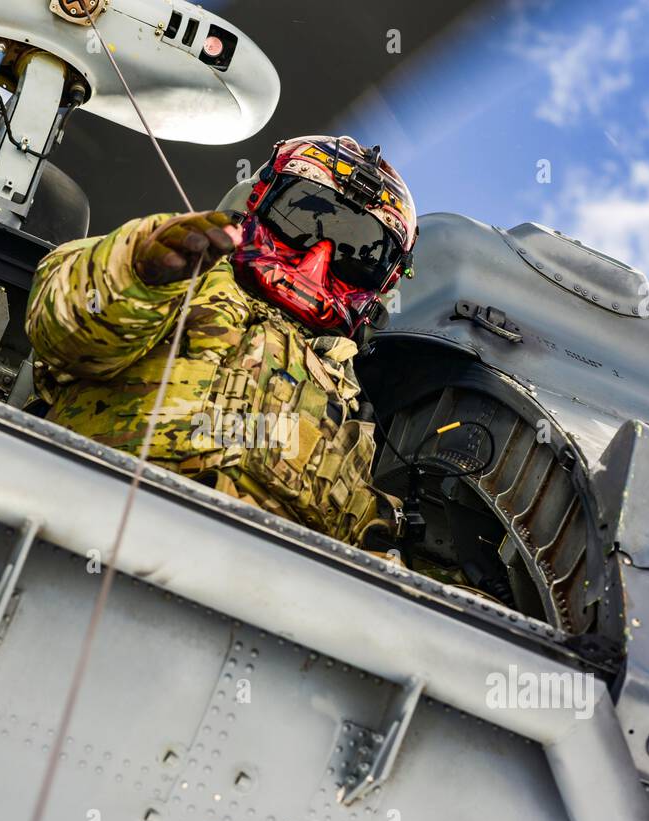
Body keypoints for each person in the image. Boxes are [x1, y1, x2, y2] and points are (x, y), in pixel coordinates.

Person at [25, 134, 418, 547]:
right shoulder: (184, 277)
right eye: (297, 221)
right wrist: (140, 270)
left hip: (260, 588)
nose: (315, 261)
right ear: (256, 201)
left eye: (357, 256)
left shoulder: (360, 409)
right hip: (91, 519)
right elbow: (61, 324)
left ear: (386, 283)